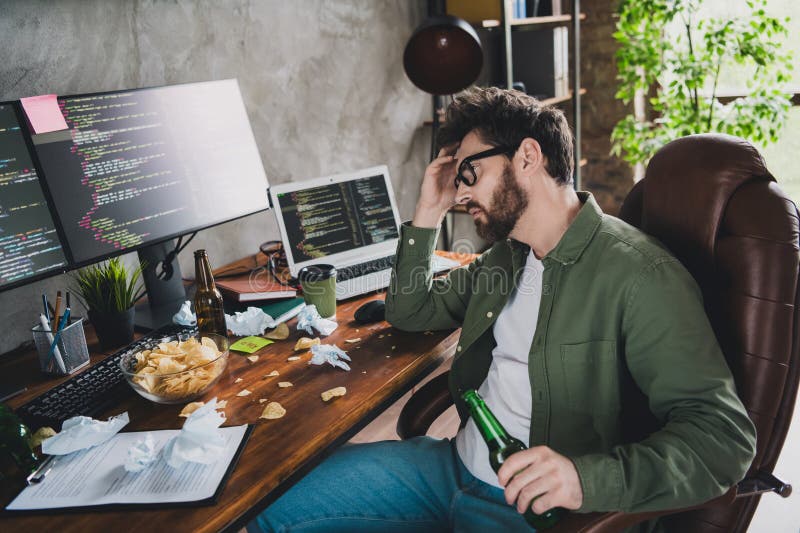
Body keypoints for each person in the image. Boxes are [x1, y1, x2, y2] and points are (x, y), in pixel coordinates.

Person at [248, 87, 756, 533]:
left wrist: (583, 480)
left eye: (471, 171)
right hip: (452, 468)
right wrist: (428, 211)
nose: (462, 188)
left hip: (534, 511)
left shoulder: (640, 276)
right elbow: (411, 309)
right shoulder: (507, 257)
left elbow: (723, 439)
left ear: (528, 157)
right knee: (269, 508)